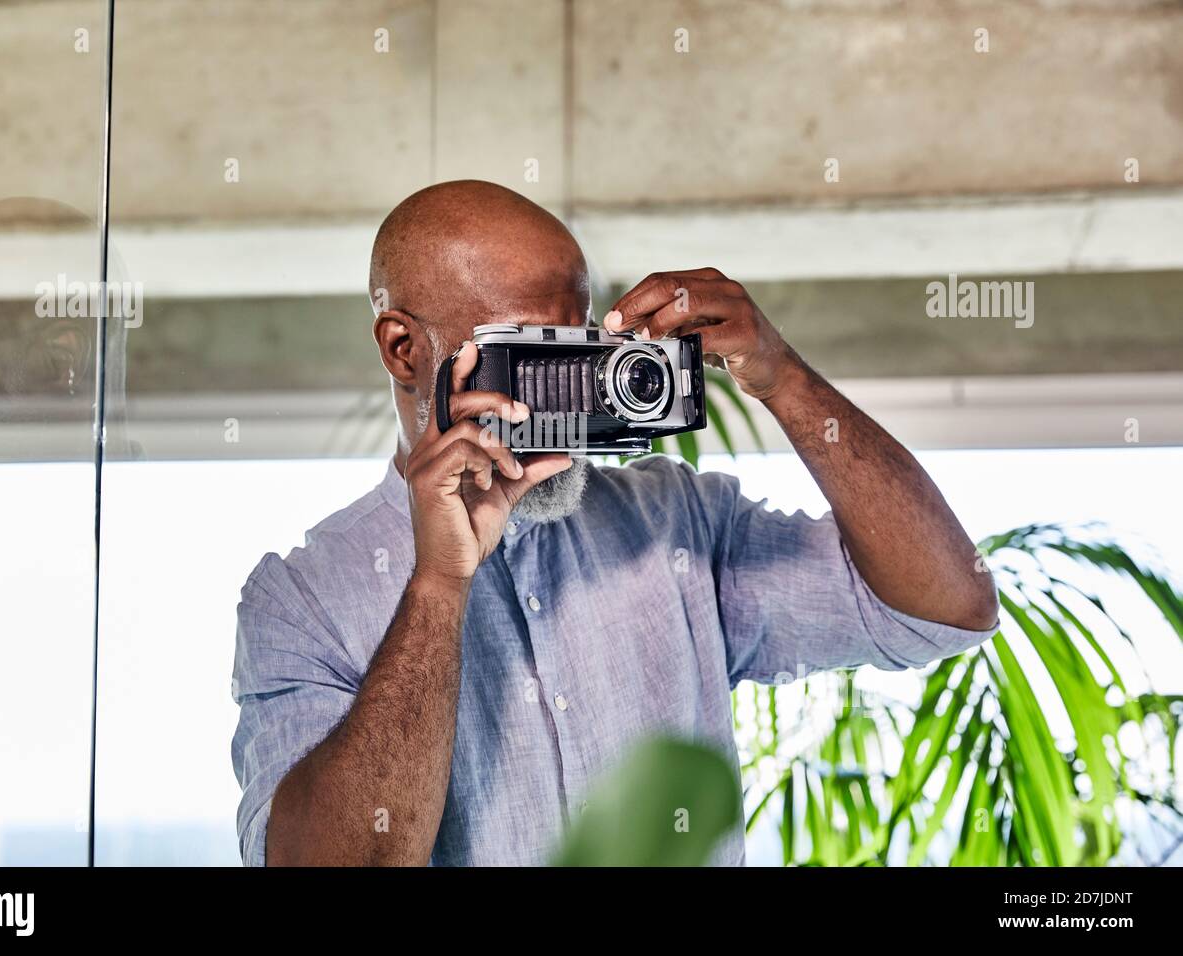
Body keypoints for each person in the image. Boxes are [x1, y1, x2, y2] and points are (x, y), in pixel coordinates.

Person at [230, 180, 999, 866]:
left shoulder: (678, 522)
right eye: (535, 355)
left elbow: (946, 607)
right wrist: (439, 584)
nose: (570, 397)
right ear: (404, 349)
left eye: (585, 349)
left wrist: (782, 375)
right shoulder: (303, 600)